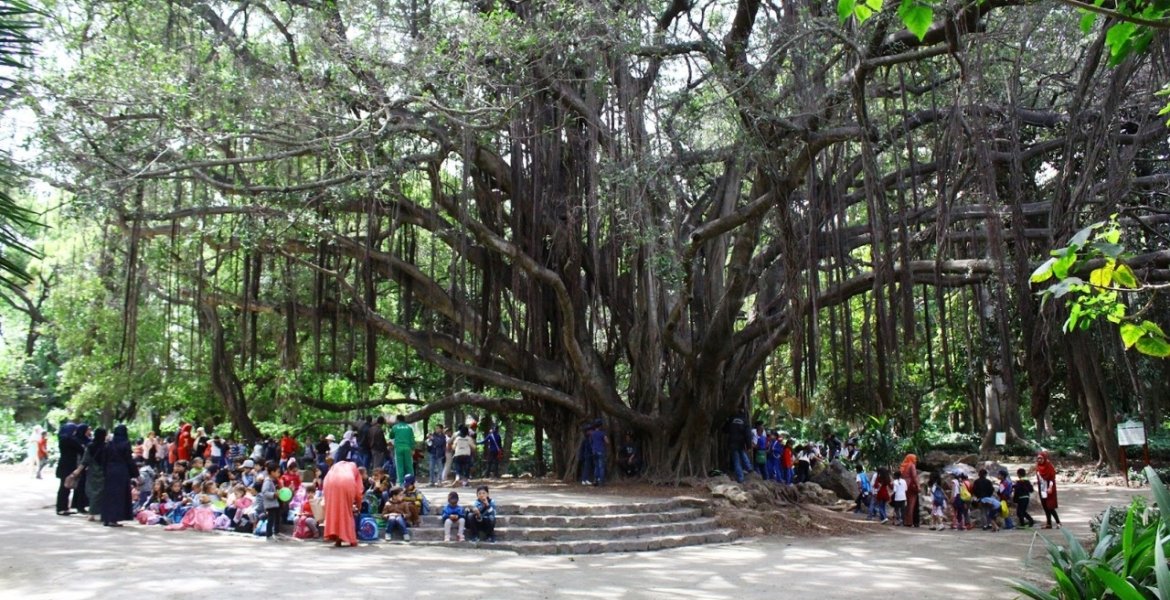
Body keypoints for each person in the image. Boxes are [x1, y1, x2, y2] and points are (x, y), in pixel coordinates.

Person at [323, 456, 363, 546]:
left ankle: (338, 539)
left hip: (328, 482)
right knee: (346, 511)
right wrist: (359, 506)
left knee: (334, 511)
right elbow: (359, 492)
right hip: (346, 482)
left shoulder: (336, 466)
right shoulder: (354, 468)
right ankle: (352, 540)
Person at [100, 424, 135, 527]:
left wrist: (105, 470)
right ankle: (114, 519)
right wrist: (135, 473)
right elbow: (128, 459)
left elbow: (104, 459)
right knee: (118, 495)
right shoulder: (125, 443)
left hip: (110, 470)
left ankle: (107, 518)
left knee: (109, 494)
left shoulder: (109, 443)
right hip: (121, 471)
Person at [81, 428, 108, 522]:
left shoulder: (90, 446)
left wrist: (77, 471)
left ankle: (91, 514)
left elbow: (85, 461)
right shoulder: (107, 447)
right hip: (104, 472)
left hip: (92, 472)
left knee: (92, 493)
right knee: (102, 493)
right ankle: (102, 513)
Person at [725, 411, 752, 483]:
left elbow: (725, 429)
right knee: (742, 453)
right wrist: (749, 446)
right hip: (741, 443)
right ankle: (749, 467)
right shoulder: (745, 421)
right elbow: (748, 434)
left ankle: (741, 478)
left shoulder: (731, 419)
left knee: (736, 461)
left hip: (732, 442)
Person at [1036, 451, 1061, 529]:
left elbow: (1052, 478)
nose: (1039, 460)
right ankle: (1049, 523)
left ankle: (1058, 522)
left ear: (1044, 458)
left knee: (1050, 506)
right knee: (1045, 506)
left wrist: (1050, 487)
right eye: (1038, 458)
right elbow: (1038, 477)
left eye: (1041, 458)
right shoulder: (1038, 466)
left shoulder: (1049, 466)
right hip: (1042, 488)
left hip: (1049, 487)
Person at [256, 460, 281, 540]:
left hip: (274, 503)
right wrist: (274, 495)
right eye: (277, 472)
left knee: (275, 518)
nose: (278, 474)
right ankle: (269, 534)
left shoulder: (272, 481)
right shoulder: (267, 481)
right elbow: (265, 492)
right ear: (272, 472)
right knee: (270, 520)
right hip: (270, 504)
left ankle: (275, 532)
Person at [391, 415, 415, 486]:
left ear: (398, 420)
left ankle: (402, 483)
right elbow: (412, 439)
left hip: (398, 448)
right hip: (408, 448)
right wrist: (413, 449)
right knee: (409, 465)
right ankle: (411, 482)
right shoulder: (409, 427)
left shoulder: (395, 427)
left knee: (400, 466)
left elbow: (391, 436)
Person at [900, 454, 920, 527]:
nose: (916, 460)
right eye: (915, 458)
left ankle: (905, 520)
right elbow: (914, 476)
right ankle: (909, 521)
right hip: (911, 487)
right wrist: (918, 486)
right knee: (911, 505)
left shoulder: (903, 466)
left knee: (906, 504)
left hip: (904, 486)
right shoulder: (911, 465)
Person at [589, 419, 608, 486]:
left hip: (594, 451)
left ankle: (595, 480)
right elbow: (607, 441)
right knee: (601, 466)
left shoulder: (592, 433)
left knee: (596, 466)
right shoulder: (602, 433)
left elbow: (590, 442)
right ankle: (601, 481)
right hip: (601, 451)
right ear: (600, 426)